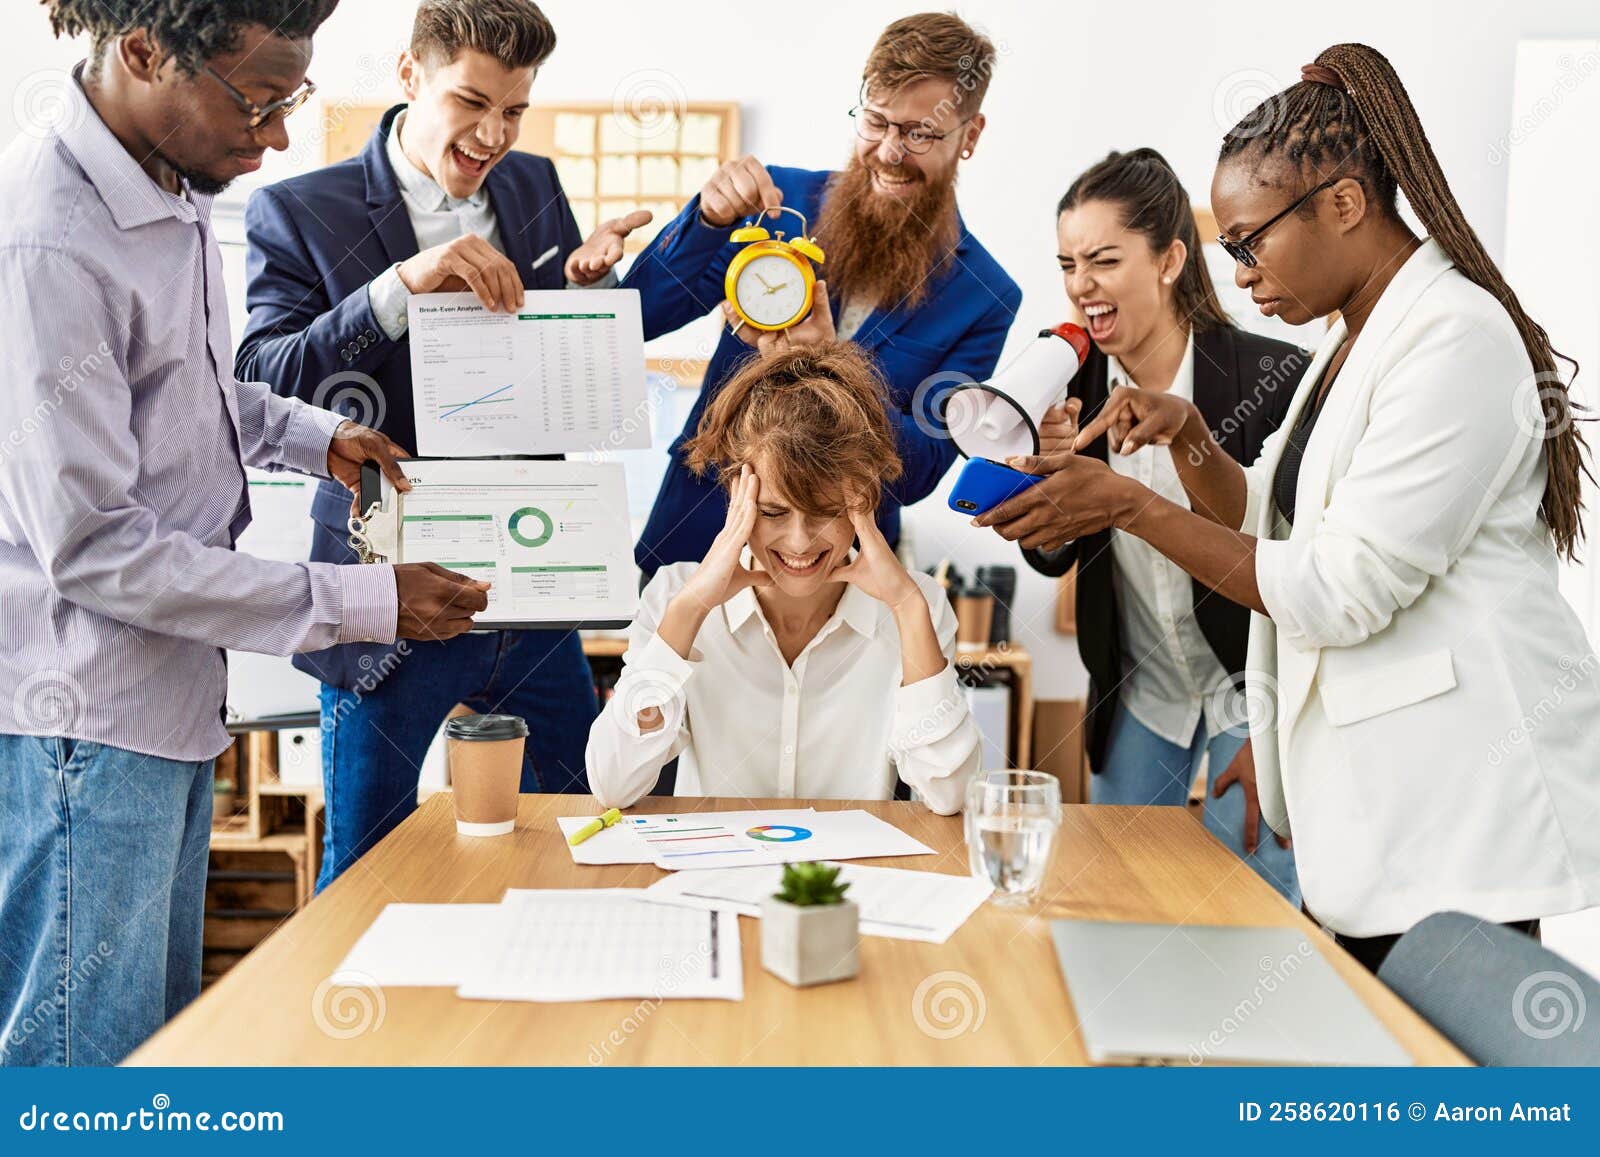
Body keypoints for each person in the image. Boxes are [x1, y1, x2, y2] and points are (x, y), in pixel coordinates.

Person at [978, 43, 1600, 972]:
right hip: (1373, 796)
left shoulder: (1454, 341)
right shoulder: (1351, 344)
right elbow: (1261, 518)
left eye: (1249, 241)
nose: (1240, 275)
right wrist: (1189, 434)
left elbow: (1337, 589)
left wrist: (1128, 507)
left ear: (1343, 204)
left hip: (1457, 800)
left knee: (1452, 1066)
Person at [0, 0, 489, 1066]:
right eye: (258, 101)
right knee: (84, 1070)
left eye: (290, 103)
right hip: (82, 724)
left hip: (161, 706)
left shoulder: (161, 192)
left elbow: (186, 391)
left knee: (153, 1047)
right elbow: (95, 548)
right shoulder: (50, 242)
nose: (273, 137)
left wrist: (320, 436)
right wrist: (367, 600)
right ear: (140, 52)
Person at [236, 0, 626, 890]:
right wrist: (396, 289)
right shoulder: (297, 209)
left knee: (581, 835)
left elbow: (544, 373)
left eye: (516, 110)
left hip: (530, 581)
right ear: (410, 77)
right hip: (385, 595)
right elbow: (260, 376)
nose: (494, 134)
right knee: (365, 867)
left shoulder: (534, 188)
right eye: (471, 101)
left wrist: (586, 297)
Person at [610, 12, 1021, 578]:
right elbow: (634, 319)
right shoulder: (778, 206)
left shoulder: (985, 298)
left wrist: (830, 364)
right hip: (698, 539)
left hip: (840, 572)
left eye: (919, 133)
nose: (889, 152)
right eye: (876, 122)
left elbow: (922, 468)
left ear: (969, 136)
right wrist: (703, 221)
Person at [1010, 149, 1303, 903]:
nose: (1081, 285)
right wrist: (1040, 503)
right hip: (1140, 689)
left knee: (1260, 898)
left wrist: (1275, 744)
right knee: (1117, 895)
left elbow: (1301, 567)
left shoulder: (1273, 377)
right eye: (1069, 263)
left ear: (1170, 260)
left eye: (1103, 260)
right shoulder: (1061, 385)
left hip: (1252, 687)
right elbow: (1053, 555)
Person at [587, 344, 981, 812]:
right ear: (737, 493)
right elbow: (613, 786)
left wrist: (907, 607)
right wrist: (689, 612)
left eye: (826, 512)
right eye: (773, 511)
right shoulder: (675, 596)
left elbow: (950, 795)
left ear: (866, 497)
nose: (798, 542)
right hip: (713, 879)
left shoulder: (916, 605)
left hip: (846, 883)